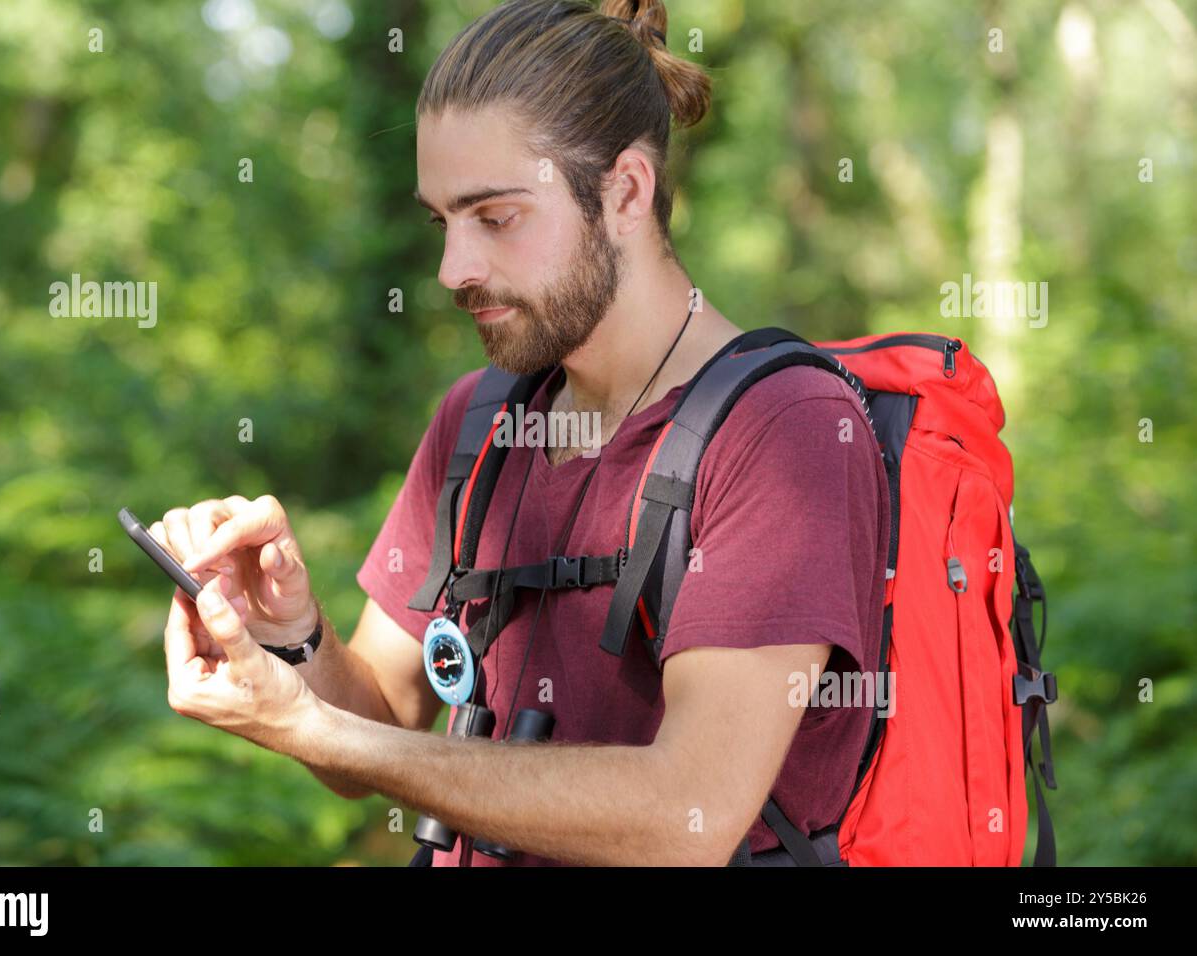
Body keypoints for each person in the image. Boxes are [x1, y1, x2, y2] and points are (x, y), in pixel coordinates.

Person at [152, 0, 891, 867]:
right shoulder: (480, 422)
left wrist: (317, 731)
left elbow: (686, 815)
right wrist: (290, 633)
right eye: (442, 222)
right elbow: (385, 724)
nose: (452, 269)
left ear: (624, 192)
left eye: (495, 217)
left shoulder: (785, 431)